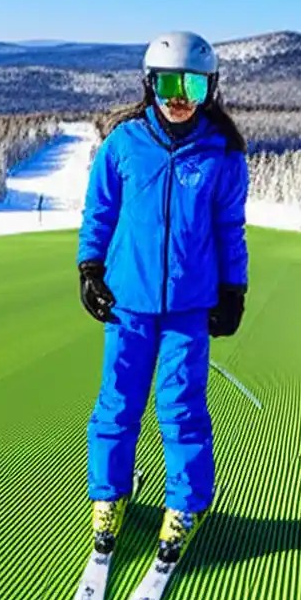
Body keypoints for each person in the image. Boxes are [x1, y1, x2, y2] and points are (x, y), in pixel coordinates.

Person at [75, 30, 249, 564]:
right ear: (149, 84)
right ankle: (109, 497)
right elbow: (99, 213)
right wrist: (89, 267)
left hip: (188, 309)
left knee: (181, 409)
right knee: (117, 403)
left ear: (210, 89)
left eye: (193, 85)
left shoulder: (222, 155)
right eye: (170, 83)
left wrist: (233, 289)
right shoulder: (124, 144)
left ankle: (186, 504)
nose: (180, 97)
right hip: (128, 303)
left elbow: (229, 229)